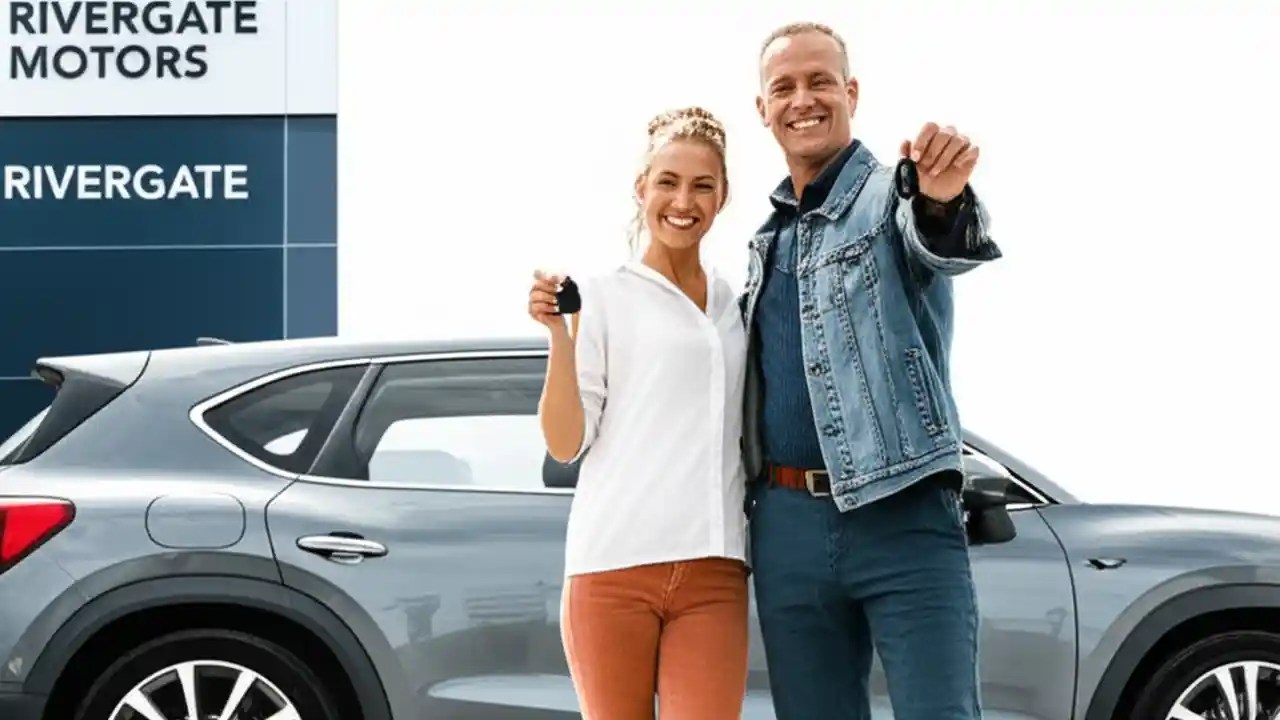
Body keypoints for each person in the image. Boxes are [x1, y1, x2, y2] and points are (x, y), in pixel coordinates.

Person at [741, 21, 1003, 720]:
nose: (804, 99)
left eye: (821, 80)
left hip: (904, 514)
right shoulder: (762, 245)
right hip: (786, 527)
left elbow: (936, 234)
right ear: (762, 109)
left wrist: (942, 199)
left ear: (851, 92)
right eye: (784, 87)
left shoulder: (892, 194)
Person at [528, 106, 750, 720]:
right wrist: (559, 336)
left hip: (714, 571)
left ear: (723, 195)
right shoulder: (600, 296)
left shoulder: (737, 302)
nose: (684, 200)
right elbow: (566, 443)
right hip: (612, 569)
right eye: (668, 182)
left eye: (703, 185)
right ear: (641, 187)